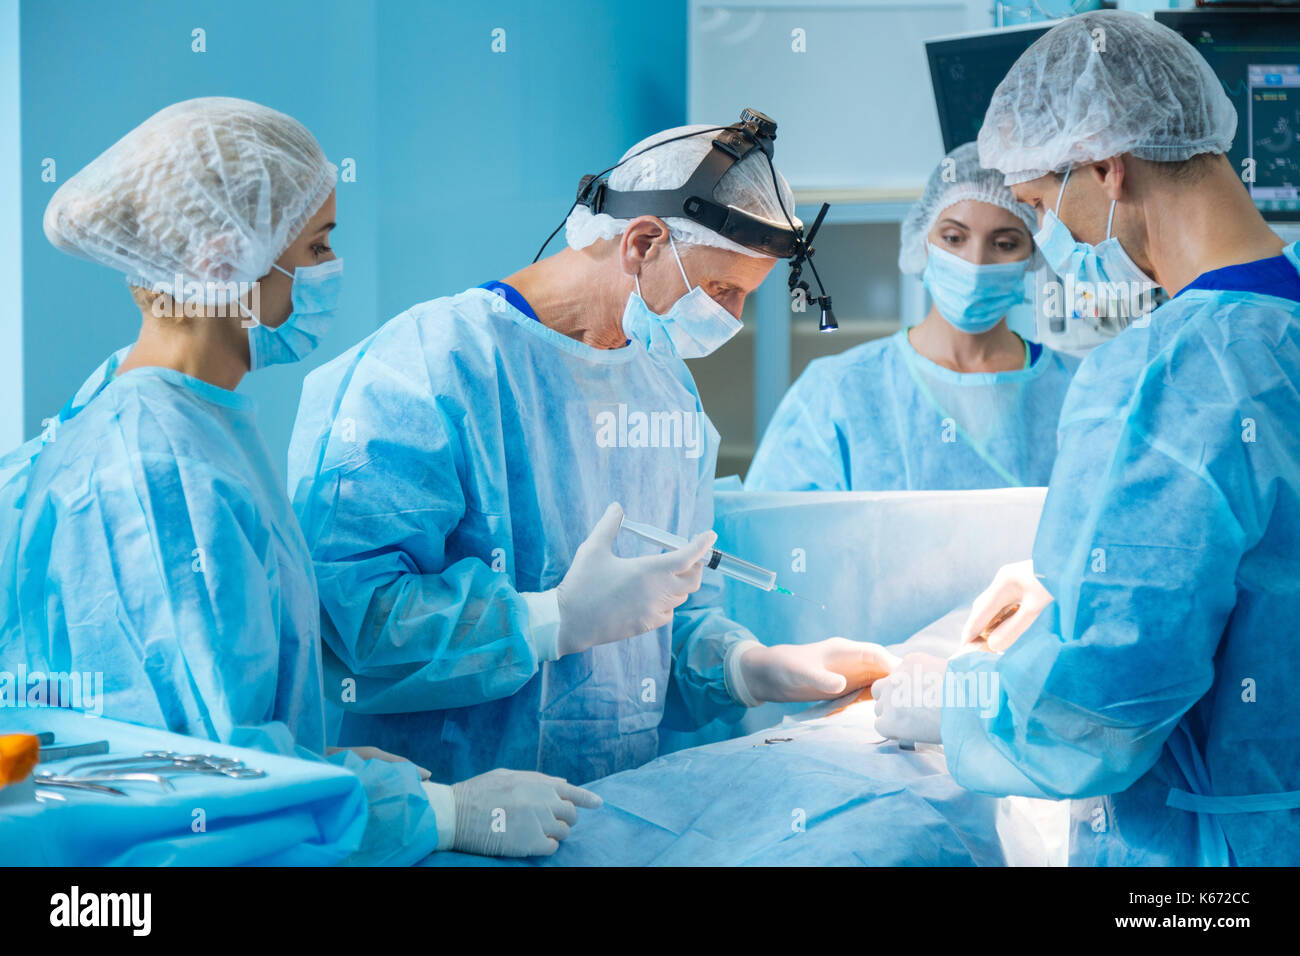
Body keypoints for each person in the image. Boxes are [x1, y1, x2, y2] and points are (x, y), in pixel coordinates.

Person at [0, 97, 596, 862]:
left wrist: (325, 767)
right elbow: (206, 784)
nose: (328, 270)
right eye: (317, 245)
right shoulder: (159, 474)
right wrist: (441, 813)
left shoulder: (192, 420)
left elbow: (203, 717)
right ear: (224, 263)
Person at [288, 122, 896, 786]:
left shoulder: (666, 390)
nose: (731, 316)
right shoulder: (428, 369)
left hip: (615, 808)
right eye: (724, 290)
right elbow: (351, 627)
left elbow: (663, 622)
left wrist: (742, 669)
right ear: (643, 242)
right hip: (449, 811)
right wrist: (551, 620)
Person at [871, 11, 1300, 866]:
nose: (1050, 244)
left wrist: (951, 702)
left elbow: (1102, 707)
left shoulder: (1171, 376)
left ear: (1107, 166)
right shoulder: (1275, 336)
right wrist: (1076, 580)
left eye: (1036, 207)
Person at [747, 142, 1078, 491]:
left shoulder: (1076, 388)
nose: (976, 262)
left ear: (1033, 254)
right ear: (923, 242)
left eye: (1005, 244)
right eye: (953, 237)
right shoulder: (839, 391)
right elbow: (775, 518)